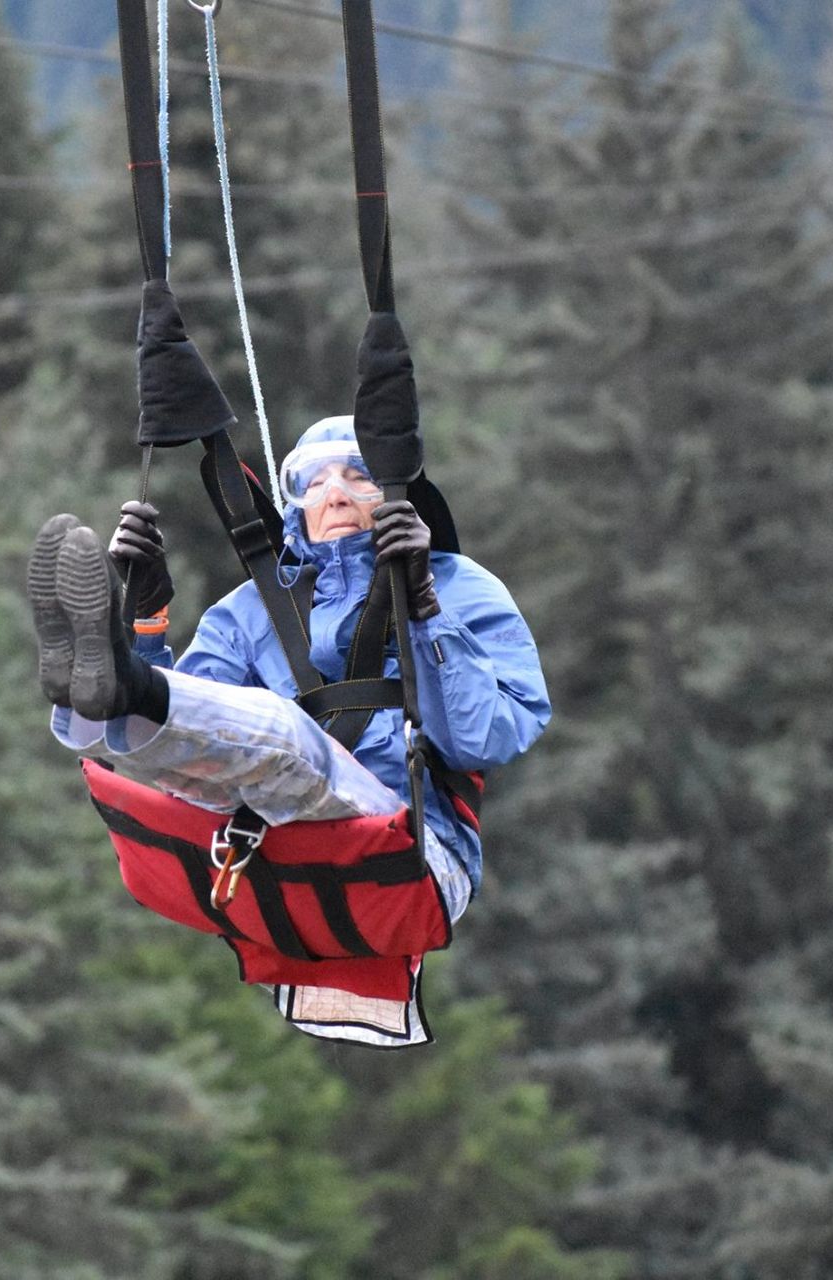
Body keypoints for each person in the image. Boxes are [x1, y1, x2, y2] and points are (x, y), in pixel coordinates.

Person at [29, 415, 550, 1044]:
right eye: (311, 481)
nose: (334, 494)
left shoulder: (464, 589)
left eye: (358, 478)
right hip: (270, 839)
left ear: (394, 499)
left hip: (409, 844)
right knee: (172, 755)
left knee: (282, 738)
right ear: (292, 502)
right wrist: (148, 622)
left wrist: (425, 607)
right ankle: (95, 688)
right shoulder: (251, 610)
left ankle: (114, 686)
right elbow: (195, 734)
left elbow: (483, 738)